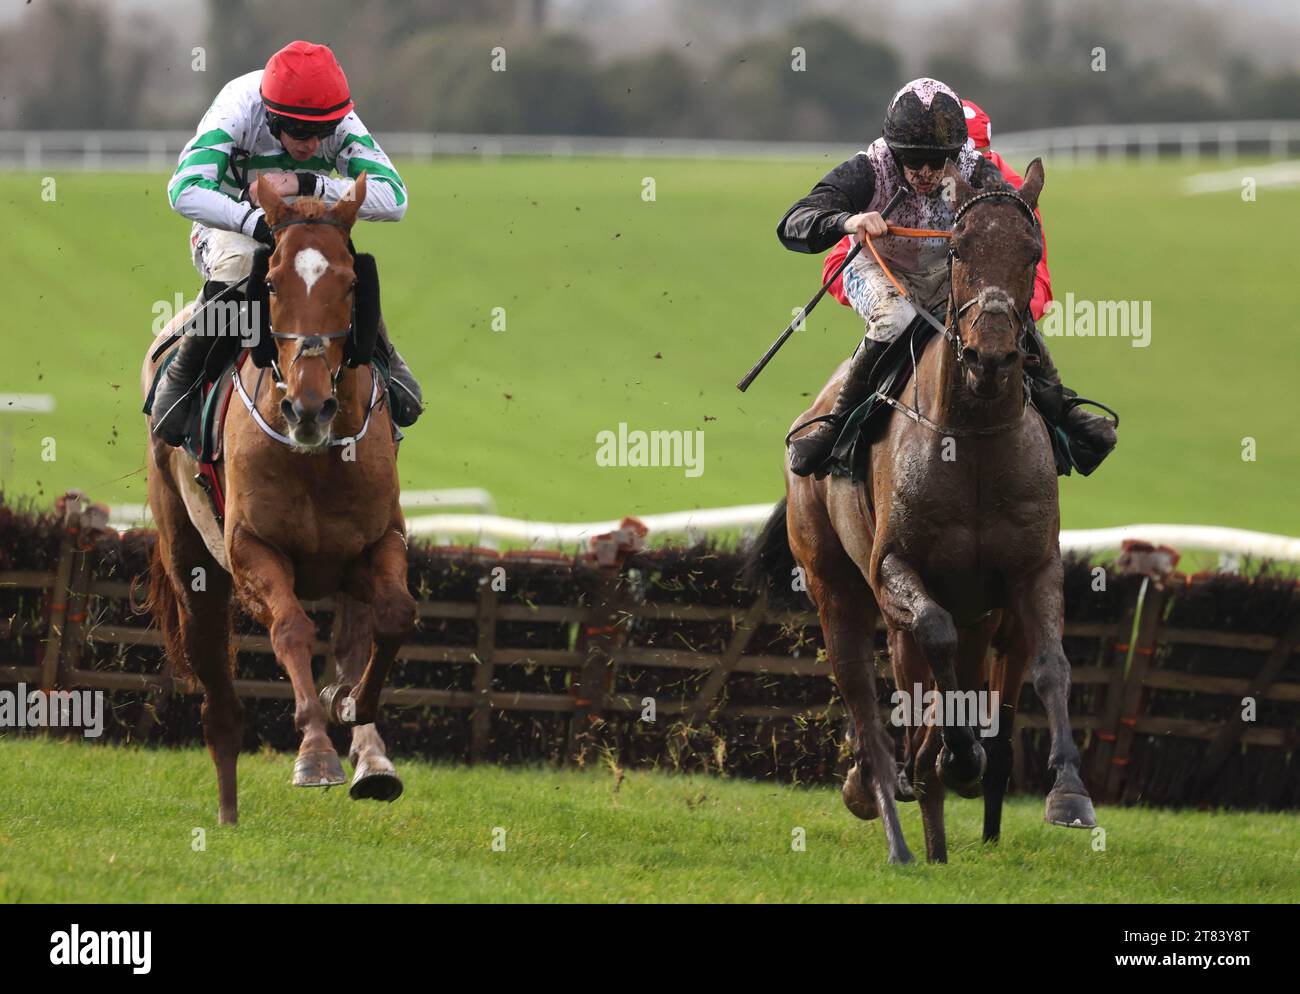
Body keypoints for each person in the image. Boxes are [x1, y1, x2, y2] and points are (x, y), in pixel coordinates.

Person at [777, 78, 1115, 477]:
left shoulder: (977, 169)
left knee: (1001, 314)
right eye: (912, 160)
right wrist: (848, 220)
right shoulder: (869, 168)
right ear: (894, 151)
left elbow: (1016, 227)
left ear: (956, 154)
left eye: (936, 163)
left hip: (943, 269)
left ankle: (1063, 412)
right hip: (879, 268)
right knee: (895, 318)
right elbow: (793, 222)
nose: (924, 173)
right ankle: (835, 424)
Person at [151, 40, 422, 445]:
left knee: (342, 268)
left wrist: (309, 182)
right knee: (242, 268)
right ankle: (183, 376)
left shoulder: (340, 118)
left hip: (305, 225)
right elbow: (183, 190)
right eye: (299, 132)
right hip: (231, 223)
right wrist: (254, 222)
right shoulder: (238, 108)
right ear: (272, 116)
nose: (311, 144)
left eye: (321, 133)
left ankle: (385, 357)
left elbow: (395, 198)